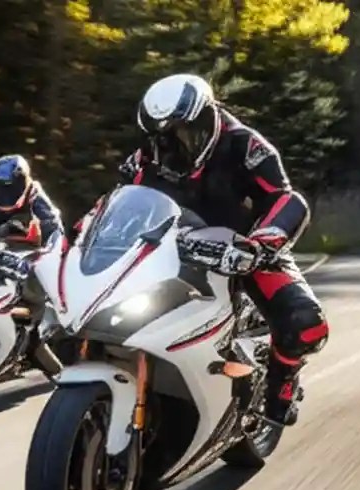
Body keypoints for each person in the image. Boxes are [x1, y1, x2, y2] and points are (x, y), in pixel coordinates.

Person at [117, 73, 328, 426]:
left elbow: (286, 198)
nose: (170, 148)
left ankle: (281, 387)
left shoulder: (246, 146)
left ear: (205, 120)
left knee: (305, 324)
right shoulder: (145, 159)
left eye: (180, 136)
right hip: (167, 248)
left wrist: (262, 245)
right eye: (160, 138)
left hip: (243, 248)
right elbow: (116, 205)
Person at [0, 154, 66, 286]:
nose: (4, 194)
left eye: (10, 188)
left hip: (29, 277)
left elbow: (55, 248)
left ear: (24, 184)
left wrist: (26, 265)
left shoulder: (42, 209)